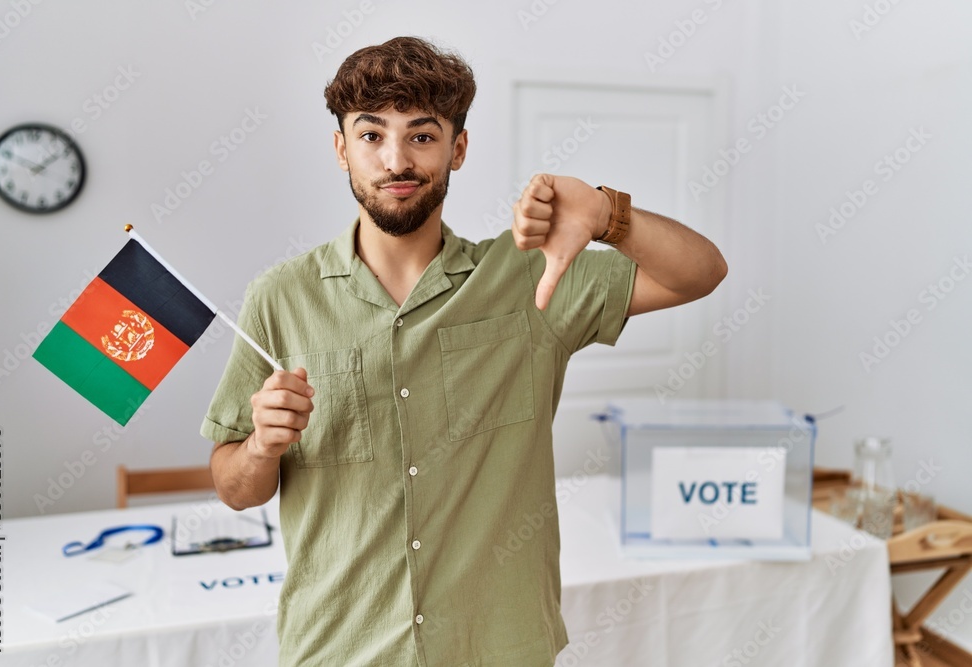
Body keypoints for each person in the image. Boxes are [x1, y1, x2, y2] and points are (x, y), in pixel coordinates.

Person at [202, 36, 727, 667]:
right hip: (338, 651)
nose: (396, 159)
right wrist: (262, 446)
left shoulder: (532, 275)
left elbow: (699, 273)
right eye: (372, 135)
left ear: (459, 147)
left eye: (422, 135)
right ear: (341, 149)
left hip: (499, 649)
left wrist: (608, 216)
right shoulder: (279, 299)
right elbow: (235, 489)